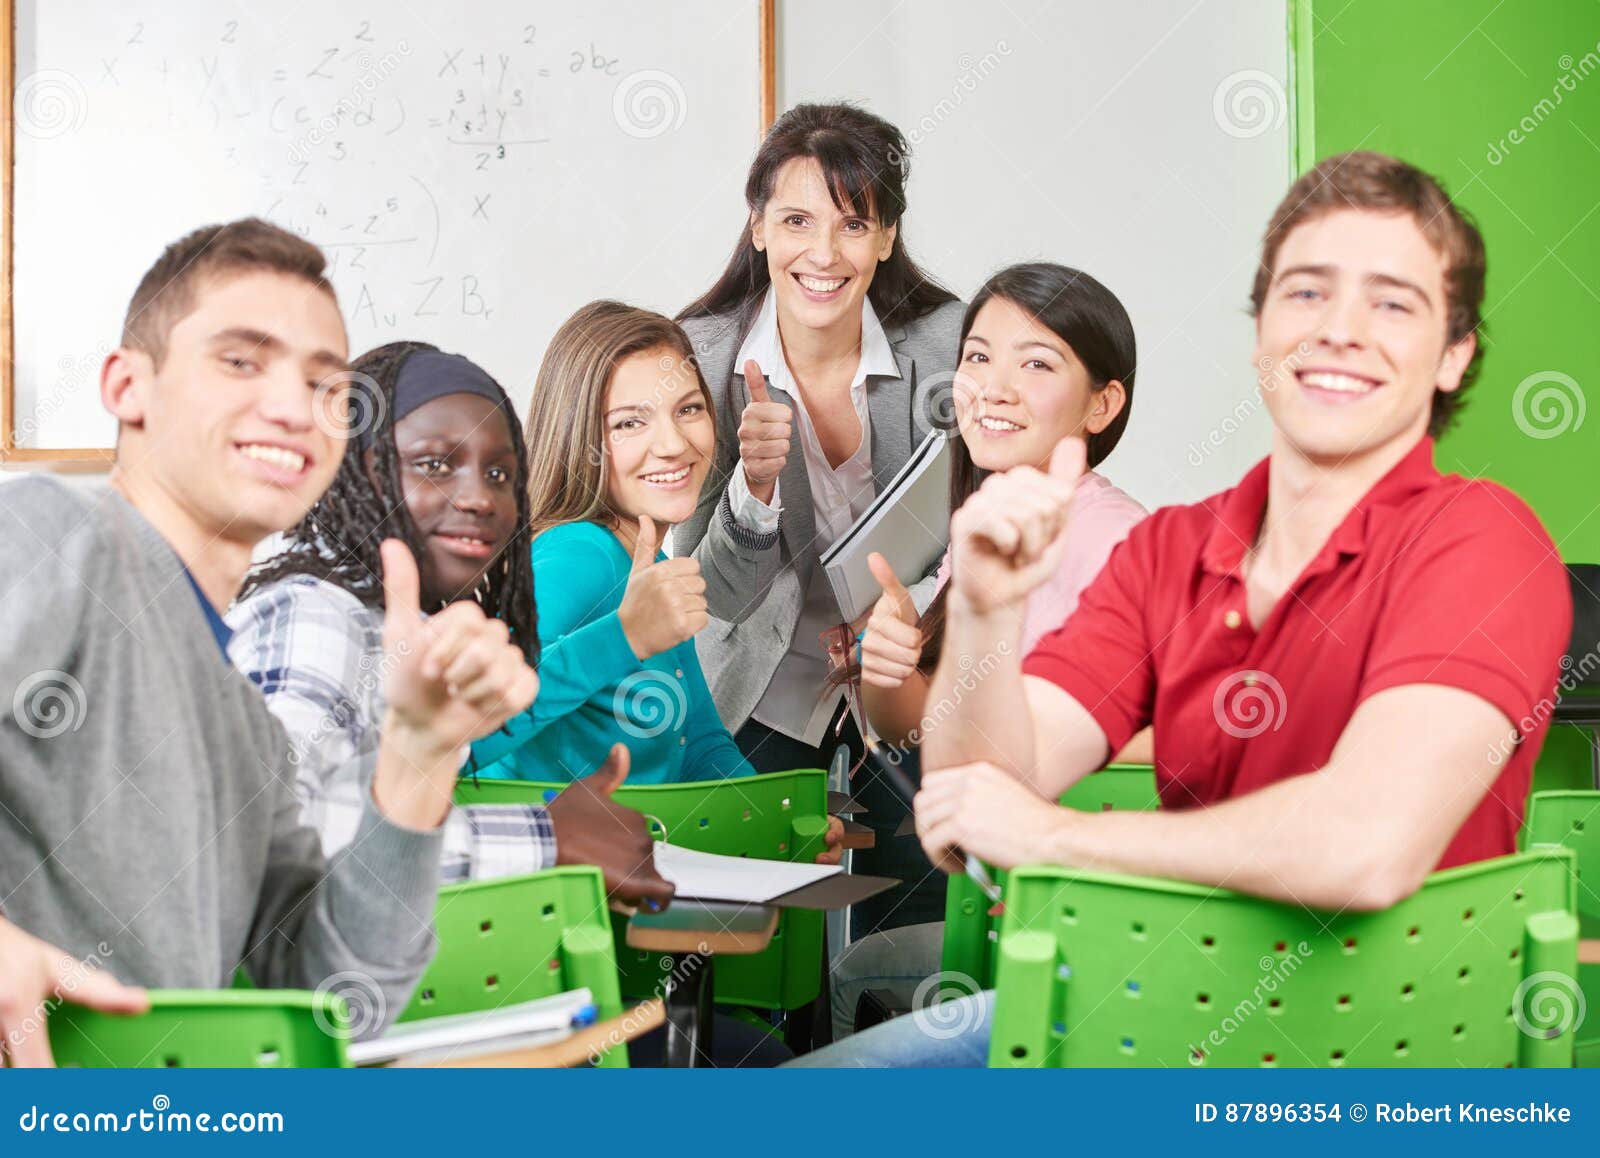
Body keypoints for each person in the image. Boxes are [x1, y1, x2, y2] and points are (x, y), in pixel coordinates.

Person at [793, 151, 1573, 1066]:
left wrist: (1060, 838)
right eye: (1308, 294)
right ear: (1261, 333)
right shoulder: (1170, 552)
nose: (1342, 331)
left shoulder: (1481, 539)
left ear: (1453, 356)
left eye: (1393, 303)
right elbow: (985, 796)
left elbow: (1369, 845)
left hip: (1396, 1058)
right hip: (1142, 1018)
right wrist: (990, 615)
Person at [0, 220, 536, 1065]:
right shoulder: (52, 532)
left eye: (326, 385)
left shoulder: (245, 730)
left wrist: (419, 763)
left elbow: (338, 1000)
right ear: (127, 386)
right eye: (241, 360)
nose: (293, 407)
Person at [227, 341, 672, 907]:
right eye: (436, 464)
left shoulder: (397, 626)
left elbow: (370, 850)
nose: (480, 498)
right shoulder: (316, 615)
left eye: (499, 474)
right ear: (361, 474)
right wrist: (544, 839)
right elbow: (260, 835)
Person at [827, 262, 1149, 1039]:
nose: (994, 387)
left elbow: (1146, 743)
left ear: (1103, 404)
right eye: (978, 357)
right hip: (1014, 896)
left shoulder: (1117, 538)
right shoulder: (988, 526)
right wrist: (888, 661)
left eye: (1036, 363)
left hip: (1068, 927)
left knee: (851, 975)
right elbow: (924, 737)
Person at [673, 101, 965, 932]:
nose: (824, 254)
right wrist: (754, 490)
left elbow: (993, 519)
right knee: (762, 952)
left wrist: (910, 616)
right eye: (797, 220)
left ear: (886, 236)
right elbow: (711, 595)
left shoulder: (950, 344)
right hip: (760, 683)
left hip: (904, 676)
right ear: (758, 226)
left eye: (852, 223)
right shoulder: (699, 358)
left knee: (919, 927)